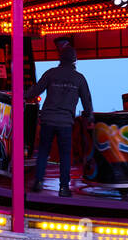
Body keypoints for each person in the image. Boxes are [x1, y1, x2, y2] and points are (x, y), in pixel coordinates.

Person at [27, 41, 93, 197]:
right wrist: (89, 117)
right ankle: (64, 188)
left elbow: (36, 90)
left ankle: (38, 182)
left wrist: (20, 96)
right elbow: (87, 101)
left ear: (60, 58)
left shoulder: (51, 73)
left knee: (43, 151)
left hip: (48, 119)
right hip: (65, 123)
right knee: (65, 155)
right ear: (74, 60)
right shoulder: (79, 79)